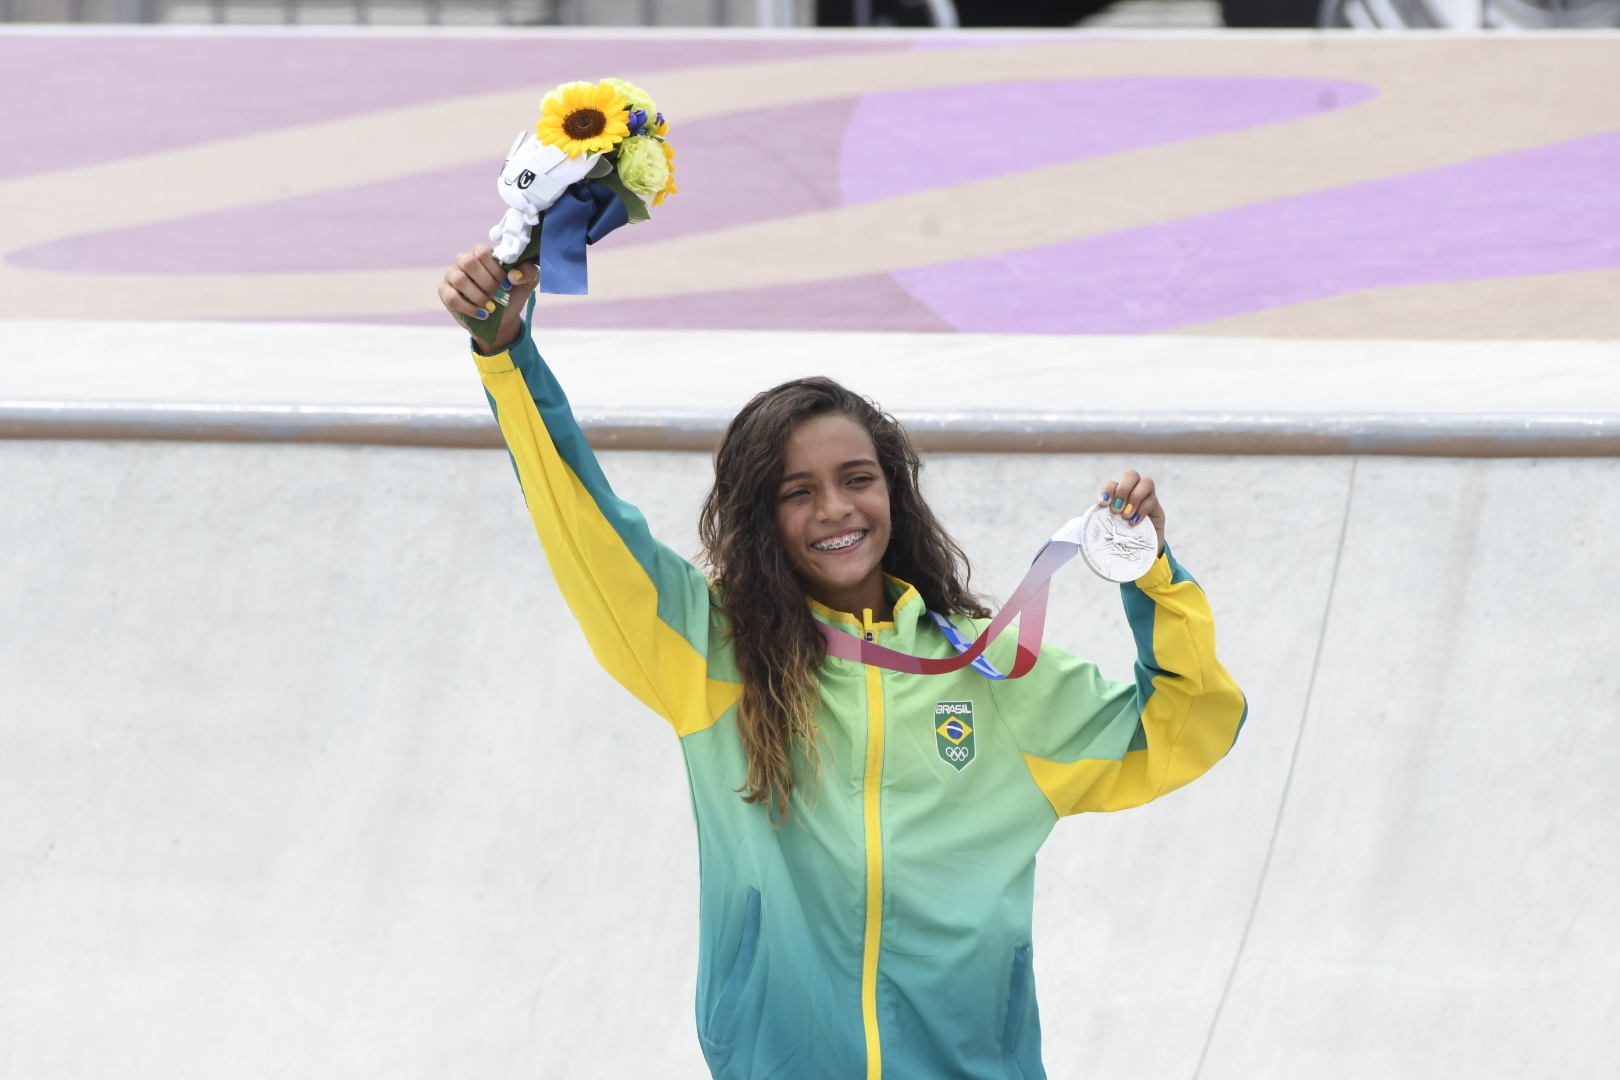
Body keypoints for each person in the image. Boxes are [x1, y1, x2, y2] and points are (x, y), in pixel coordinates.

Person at [439, 246, 1247, 1080]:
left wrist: (1152, 575)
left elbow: (1183, 727)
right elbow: (586, 524)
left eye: (857, 479)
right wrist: (505, 357)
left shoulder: (992, 672)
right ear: (761, 517)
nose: (835, 509)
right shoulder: (712, 655)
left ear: (892, 490)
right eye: (797, 492)